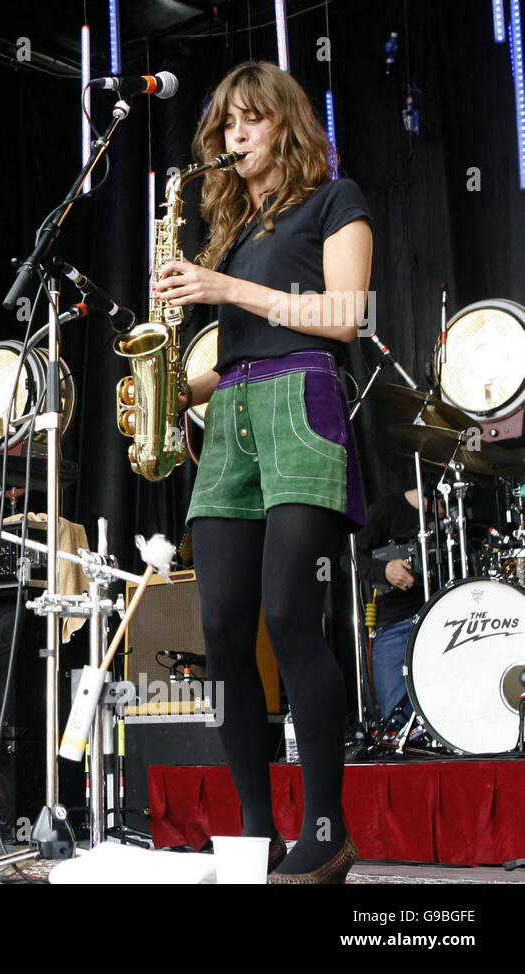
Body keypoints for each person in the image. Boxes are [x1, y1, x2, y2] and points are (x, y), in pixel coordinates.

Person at [153, 61, 372, 882]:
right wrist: (170, 392)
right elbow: (238, 350)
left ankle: (327, 829)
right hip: (234, 413)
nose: (236, 136)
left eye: (252, 120)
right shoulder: (235, 229)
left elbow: (345, 316)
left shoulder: (334, 202)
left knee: (289, 615)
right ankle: (256, 831)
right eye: (227, 125)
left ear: (286, 124)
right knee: (221, 629)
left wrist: (224, 285)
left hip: (302, 404)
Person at [354, 488, 437, 722]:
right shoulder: (386, 509)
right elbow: (348, 558)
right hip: (396, 623)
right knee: (396, 720)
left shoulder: (458, 513)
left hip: (445, 620)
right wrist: (385, 570)